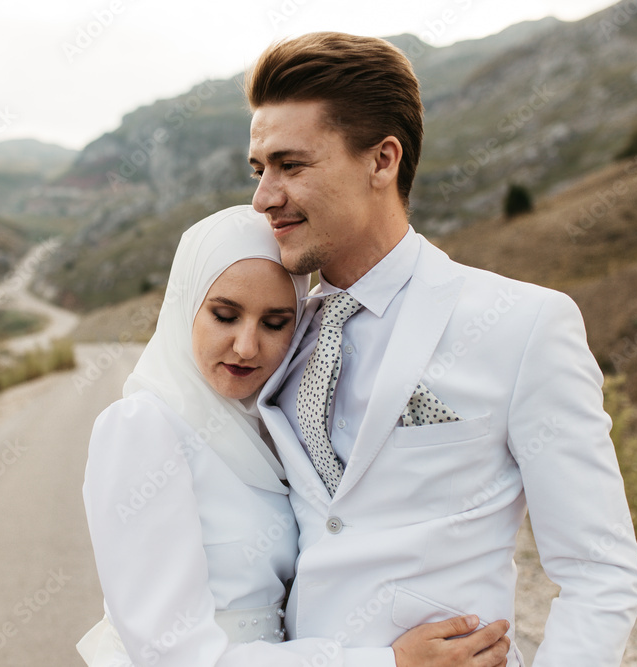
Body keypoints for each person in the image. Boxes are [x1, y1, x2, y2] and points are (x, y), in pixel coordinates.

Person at [246, 32, 637, 666]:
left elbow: (600, 569)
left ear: (383, 161)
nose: (264, 197)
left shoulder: (524, 325)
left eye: (291, 166)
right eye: (259, 170)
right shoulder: (273, 336)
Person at [78, 205, 512, 667]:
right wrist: (391, 663)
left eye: (275, 323)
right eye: (224, 315)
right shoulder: (141, 428)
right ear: (184, 307)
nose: (247, 347)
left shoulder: (275, 425)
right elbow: (173, 655)